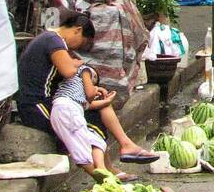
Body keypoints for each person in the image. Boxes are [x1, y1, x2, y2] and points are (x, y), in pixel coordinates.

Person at [15, 11, 159, 162]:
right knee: (89, 125)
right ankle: (107, 170)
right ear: (77, 30)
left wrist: (92, 87)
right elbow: (69, 71)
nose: (77, 49)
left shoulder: (51, 39)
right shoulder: (54, 40)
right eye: (82, 42)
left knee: (100, 108)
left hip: (49, 101)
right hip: (36, 106)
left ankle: (126, 145)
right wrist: (84, 69)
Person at [50, 58, 133, 181]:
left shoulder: (77, 96)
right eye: (94, 81)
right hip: (67, 111)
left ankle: (101, 169)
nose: (94, 85)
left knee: (97, 142)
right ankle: (103, 180)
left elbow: (90, 103)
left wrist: (106, 100)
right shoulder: (85, 70)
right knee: (80, 150)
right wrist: (94, 89)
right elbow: (90, 94)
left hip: (69, 111)